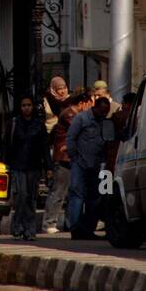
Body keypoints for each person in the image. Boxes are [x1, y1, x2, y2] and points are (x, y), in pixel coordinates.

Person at [43, 87, 92, 234]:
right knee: (58, 192)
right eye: (90, 103)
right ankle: (49, 223)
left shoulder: (77, 114)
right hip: (64, 158)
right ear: (83, 103)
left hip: (74, 158)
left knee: (73, 193)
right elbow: (81, 130)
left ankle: (71, 223)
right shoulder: (70, 114)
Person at [6, 95, 51, 241]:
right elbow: (6, 145)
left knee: (31, 199)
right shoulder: (14, 123)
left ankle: (30, 230)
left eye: (29, 105)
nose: (26, 108)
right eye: (24, 105)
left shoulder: (39, 125)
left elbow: (44, 147)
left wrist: (48, 167)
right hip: (17, 166)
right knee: (20, 197)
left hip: (34, 166)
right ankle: (17, 228)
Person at [66, 95, 111, 238]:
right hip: (80, 163)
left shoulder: (105, 122)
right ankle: (74, 227)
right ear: (95, 107)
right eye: (102, 111)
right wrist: (74, 157)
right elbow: (71, 138)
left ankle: (88, 228)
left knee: (95, 197)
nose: (104, 114)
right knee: (77, 195)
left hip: (97, 165)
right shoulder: (81, 119)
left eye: (106, 112)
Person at [105, 91, 136, 174]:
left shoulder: (117, 116)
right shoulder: (140, 115)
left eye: (123, 103)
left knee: (107, 183)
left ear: (126, 104)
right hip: (131, 153)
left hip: (114, 153)